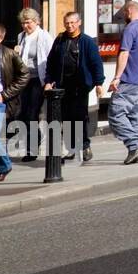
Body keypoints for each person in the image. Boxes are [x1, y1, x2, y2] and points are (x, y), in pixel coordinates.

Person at [44, 11, 105, 163]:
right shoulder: (60, 40)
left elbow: (96, 63)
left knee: (79, 117)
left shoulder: (87, 41)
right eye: (67, 23)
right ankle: (71, 148)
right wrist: (48, 81)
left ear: (79, 23)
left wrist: (99, 83)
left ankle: (84, 146)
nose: (70, 26)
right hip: (63, 87)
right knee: (66, 118)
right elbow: (51, 62)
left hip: (80, 86)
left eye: (73, 22)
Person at [0, 24, 29, 187]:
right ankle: (5, 166)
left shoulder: (9, 55)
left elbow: (24, 75)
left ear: (1, 39)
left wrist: (5, 95)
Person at [108, 0, 138, 164]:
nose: (124, 16)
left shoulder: (130, 29)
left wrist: (117, 77)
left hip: (129, 81)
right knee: (134, 117)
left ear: (130, 11)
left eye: (125, 13)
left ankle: (136, 144)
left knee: (115, 115)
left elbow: (124, 54)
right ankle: (135, 152)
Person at [15, 8, 54, 161]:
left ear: (36, 21)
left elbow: (51, 59)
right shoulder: (21, 36)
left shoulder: (44, 37)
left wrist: (49, 81)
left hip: (39, 79)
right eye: (23, 23)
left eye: (28, 22)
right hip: (24, 79)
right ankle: (34, 142)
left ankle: (32, 149)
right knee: (24, 114)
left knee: (32, 113)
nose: (25, 26)